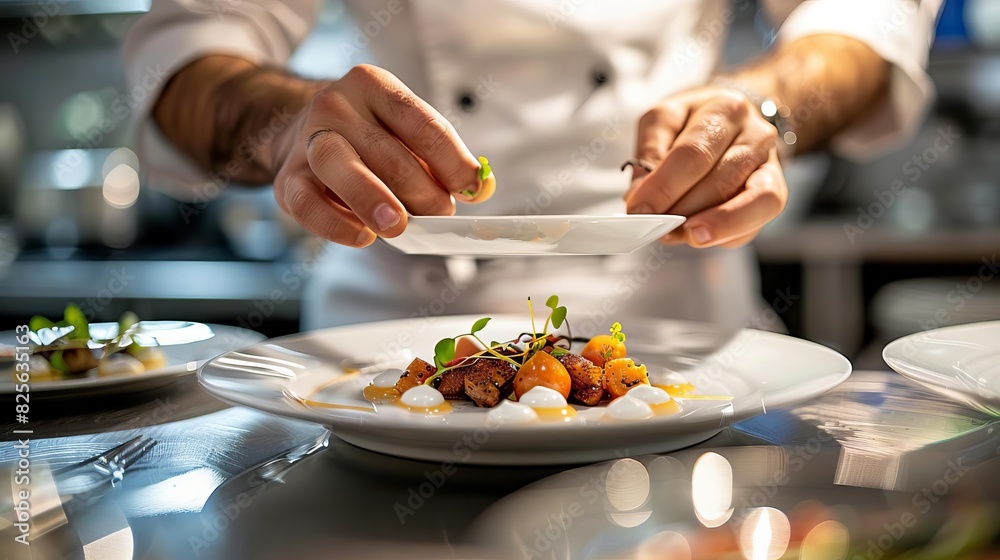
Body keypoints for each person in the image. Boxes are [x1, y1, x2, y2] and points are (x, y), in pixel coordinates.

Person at [124, 0, 942, 335]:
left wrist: (763, 105)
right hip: (386, 335)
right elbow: (185, 50)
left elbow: (866, 17)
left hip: (679, 330)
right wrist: (289, 126)